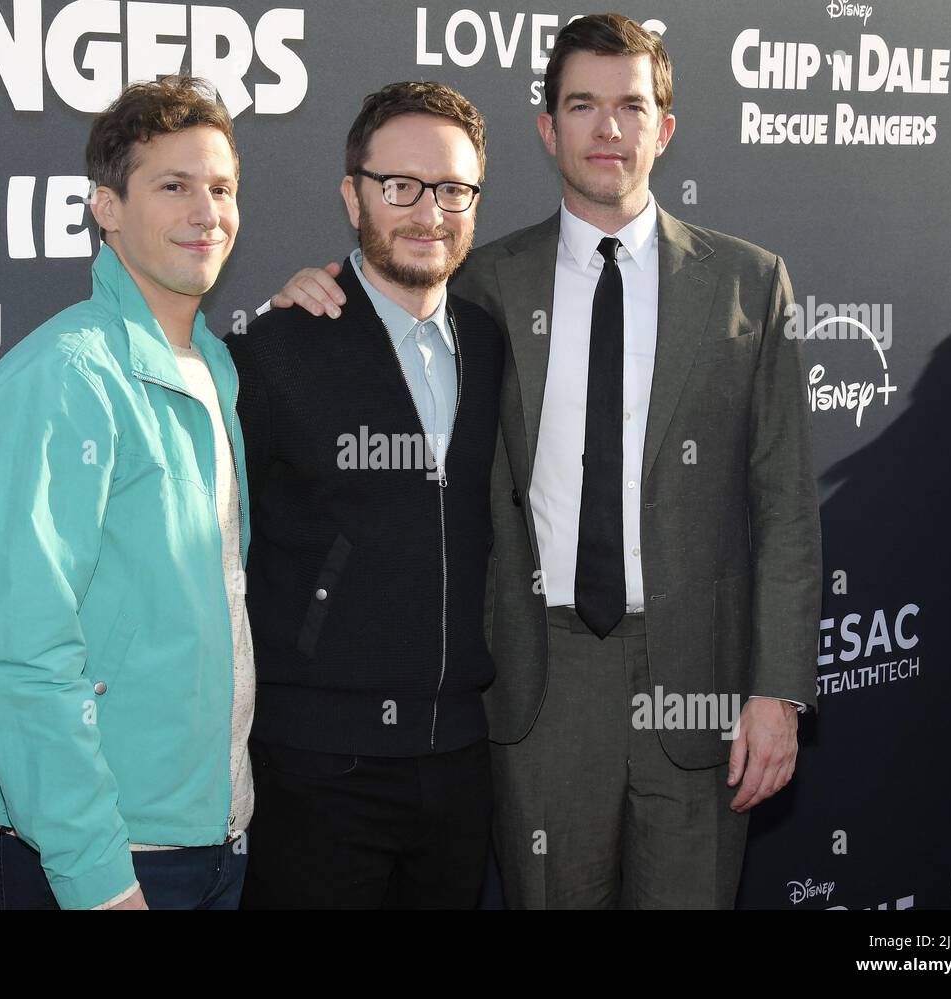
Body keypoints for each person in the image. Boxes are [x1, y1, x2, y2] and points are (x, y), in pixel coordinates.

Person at [271, 13, 821, 908]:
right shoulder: (480, 279)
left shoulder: (748, 285)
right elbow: (381, 299)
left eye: (630, 106)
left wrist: (780, 693)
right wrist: (306, 292)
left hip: (703, 686)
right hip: (540, 681)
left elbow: (788, 503)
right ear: (547, 129)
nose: (608, 128)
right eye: (582, 105)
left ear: (664, 129)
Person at [0, 75, 254, 910]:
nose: (207, 211)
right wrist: (99, 878)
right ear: (106, 208)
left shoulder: (214, 367)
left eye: (221, 187)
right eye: (174, 185)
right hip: (100, 862)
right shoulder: (64, 380)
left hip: (211, 840)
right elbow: (20, 654)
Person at [227, 82, 504, 908]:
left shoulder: (491, 344)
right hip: (317, 764)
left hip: (457, 757)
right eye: (400, 186)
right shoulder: (280, 349)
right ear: (354, 196)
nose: (429, 211)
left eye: (453, 189)